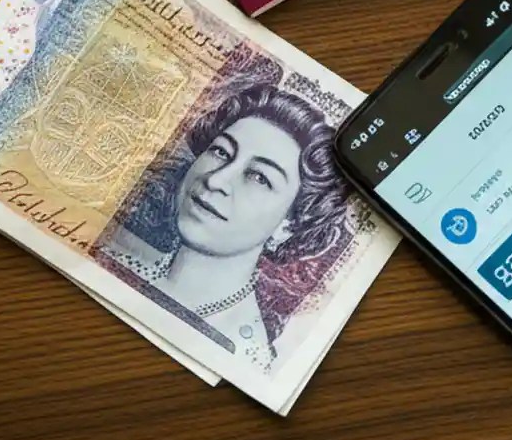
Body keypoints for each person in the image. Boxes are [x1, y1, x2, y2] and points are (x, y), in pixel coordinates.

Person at [101, 85, 347, 372]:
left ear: (289, 226)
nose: (216, 180)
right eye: (220, 151)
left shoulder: (247, 359)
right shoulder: (114, 260)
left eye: (258, 177)